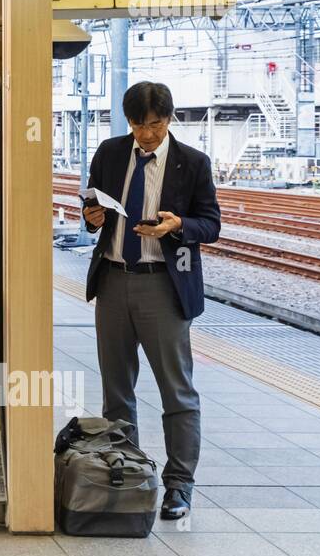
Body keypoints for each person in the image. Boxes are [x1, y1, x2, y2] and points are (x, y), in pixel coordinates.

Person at [82, 82, 221, 521]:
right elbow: (91, 207)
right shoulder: (108, 152)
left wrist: (178, 226)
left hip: (164, 284)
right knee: (116, 392)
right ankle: (129, 477)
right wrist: (92, 216)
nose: (146, 134)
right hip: (113, 281)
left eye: (155, 124)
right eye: (139, 125)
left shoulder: (192, 163)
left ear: (170, 118)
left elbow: (211, 223)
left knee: (176, 391)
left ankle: (180, 485)